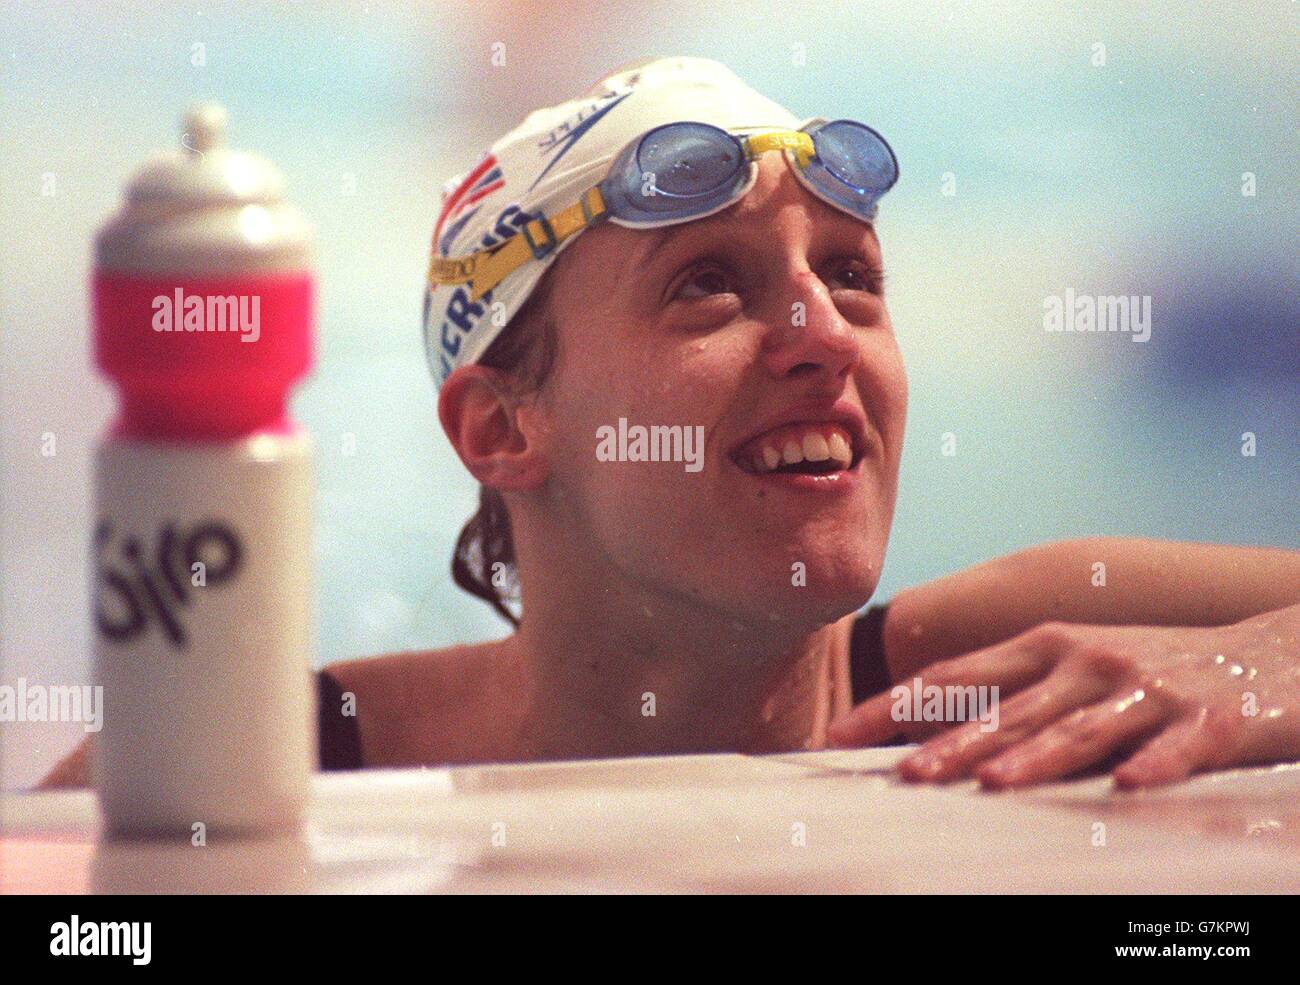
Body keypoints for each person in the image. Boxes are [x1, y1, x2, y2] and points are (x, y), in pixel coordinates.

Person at [42, 56, 1299, 792]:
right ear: (498, 430)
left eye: (854, 277)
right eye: (709, 283)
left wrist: (1259, 665)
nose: (823, 334)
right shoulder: (248, 766)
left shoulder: (993, 649)